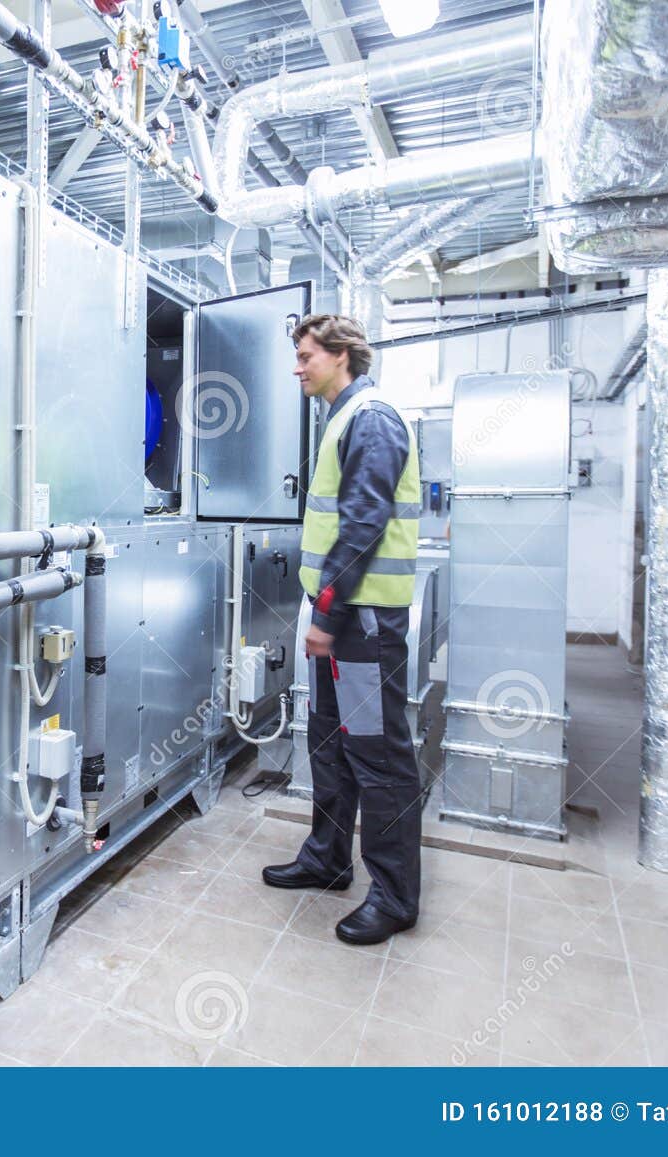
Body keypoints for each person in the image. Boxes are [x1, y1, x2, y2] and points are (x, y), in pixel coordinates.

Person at [261, 314, 423, 946]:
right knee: (329, 740)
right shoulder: (344, 417)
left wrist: (326, 619)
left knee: (376, 756)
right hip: (340, 618)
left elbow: (362, 526)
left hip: (361, 624)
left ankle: (394, 897)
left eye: (306, 356)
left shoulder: (373, 419)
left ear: (341, 357)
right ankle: (328, 856)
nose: (297, 367)